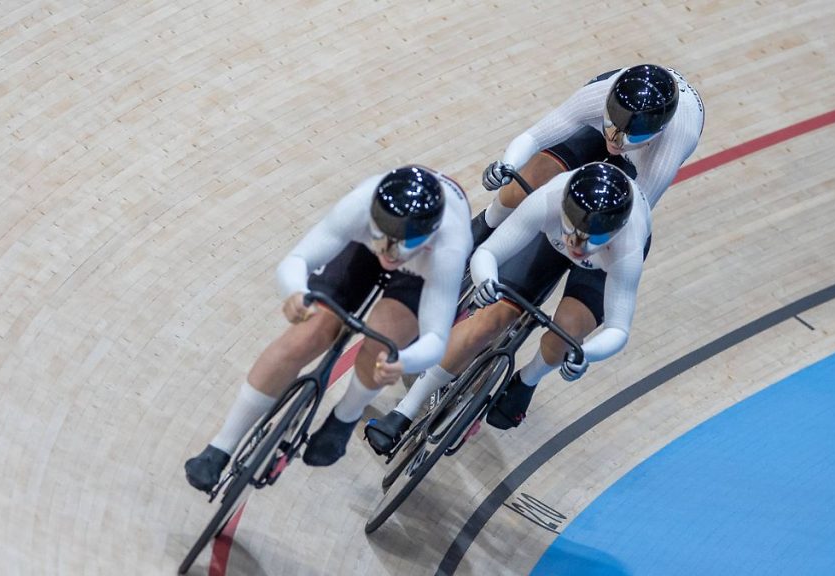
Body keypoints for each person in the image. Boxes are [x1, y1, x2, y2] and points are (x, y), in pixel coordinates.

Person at [184, 165, 472, 492]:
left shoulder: (449, 247)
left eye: (406, 241)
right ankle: (220, 446)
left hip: (421, 273)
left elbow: (436, 337)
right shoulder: (360, 205)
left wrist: (403, 362)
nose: (392, 251)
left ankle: (345, 417)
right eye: (385, 235)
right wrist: (295, 292)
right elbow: (296, 261)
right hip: (364, 249)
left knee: (383, 346)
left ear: (431, 234)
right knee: (306, 334)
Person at [365, 162, 651, 453]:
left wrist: (584, 353)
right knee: (490, 319)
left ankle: (528, 379)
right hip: (548, 241)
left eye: (594, 238)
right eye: (573, 229)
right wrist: (487, 280)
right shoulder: (547, 201)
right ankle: (404, 411)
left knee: (565, 337)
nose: (577, 244)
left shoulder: (627, 248)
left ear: (616, 231)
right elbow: (489, 251)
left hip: (599, 268)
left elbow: (618, 328)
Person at [471, 63, 703, 246]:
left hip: (643, 157)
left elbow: (632, 218)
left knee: (598, 220)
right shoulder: (598, 96)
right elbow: (533, 137)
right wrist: (507, 166)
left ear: (658, 132)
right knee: (536, 171)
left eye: (632, 134)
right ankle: (488, 221)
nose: (615, 139)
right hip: (596, 126)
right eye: (612, 126)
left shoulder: (670, 148)